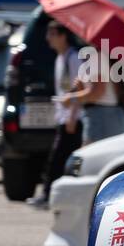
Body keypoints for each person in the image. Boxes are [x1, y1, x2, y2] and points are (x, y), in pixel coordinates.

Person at [27, 21, 83, 209]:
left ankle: (48, 195)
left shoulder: (73, 58)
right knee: (58, 158)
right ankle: (51, 195)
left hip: (71, 119)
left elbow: (79, 88)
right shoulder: (60, 58)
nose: (48, 39)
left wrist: (72, 116)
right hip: (62, 116)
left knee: (59, 159)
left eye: (52, 34)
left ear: (63, 36)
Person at [58, 39, 124, 146]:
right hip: (108, 117)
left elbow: (97, 93)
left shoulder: (97, 57)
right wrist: (81, 87)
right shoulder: (102, 57)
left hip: (100, 119)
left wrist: (71, 98)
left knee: (92, 160)